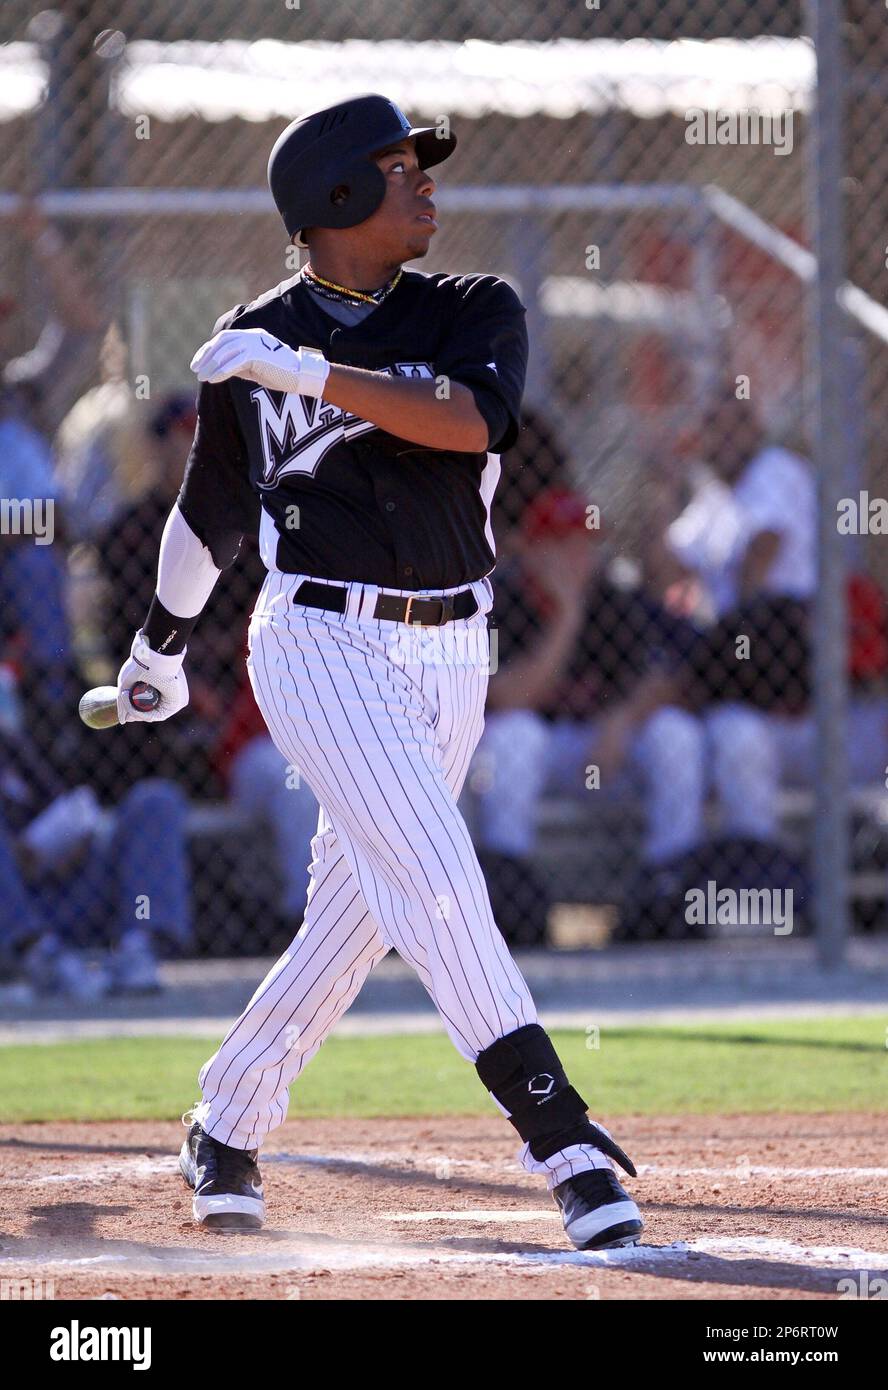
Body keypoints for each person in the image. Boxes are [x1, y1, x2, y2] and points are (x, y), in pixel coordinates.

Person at [113, 94, 643, 1251]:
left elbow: (470, 424)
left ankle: (226, 1116)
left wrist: (308, 373)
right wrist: (156, 642)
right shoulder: (246, 340)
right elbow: (211, 516)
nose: (429, 187)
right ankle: (564, 1137)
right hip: (316, 639)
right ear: (340, 198)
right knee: (440, 874)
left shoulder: (471, 309)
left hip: (454, 641)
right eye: (404, 170)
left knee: (362, 913)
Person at [471, 487, 704, 938]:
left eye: (586, 544)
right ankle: (507, 884)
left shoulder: (616, 599)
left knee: (676, 733)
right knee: (516, 734)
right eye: (563, 543)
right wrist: (568, 617)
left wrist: (621, 720)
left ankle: (668, 880)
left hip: (602, 749)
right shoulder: (501, 602)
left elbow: (671, 678)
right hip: (537, 757)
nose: (580, 556)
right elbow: (507, 699)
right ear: (533, 551)